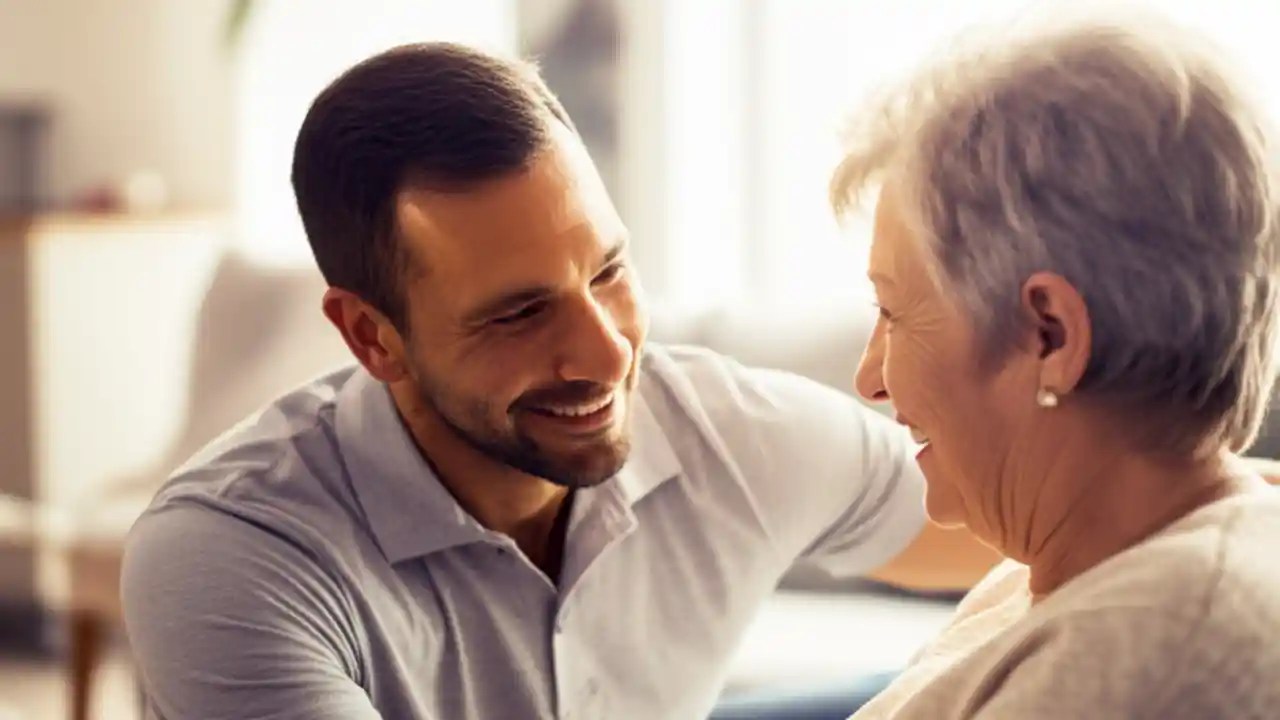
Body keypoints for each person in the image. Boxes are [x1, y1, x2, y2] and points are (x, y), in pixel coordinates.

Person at [120, 43, 996, 720]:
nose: (609, 356)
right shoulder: (232, 555)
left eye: (608, 271)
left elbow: (1024, 524)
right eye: (518, 314)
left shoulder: (725, 429)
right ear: (370, 337)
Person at [831, 16, 1280, 719]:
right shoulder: (1082, 562)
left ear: (1051, 335)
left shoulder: (1148, 644)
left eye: (894, 314)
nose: (871, 379)